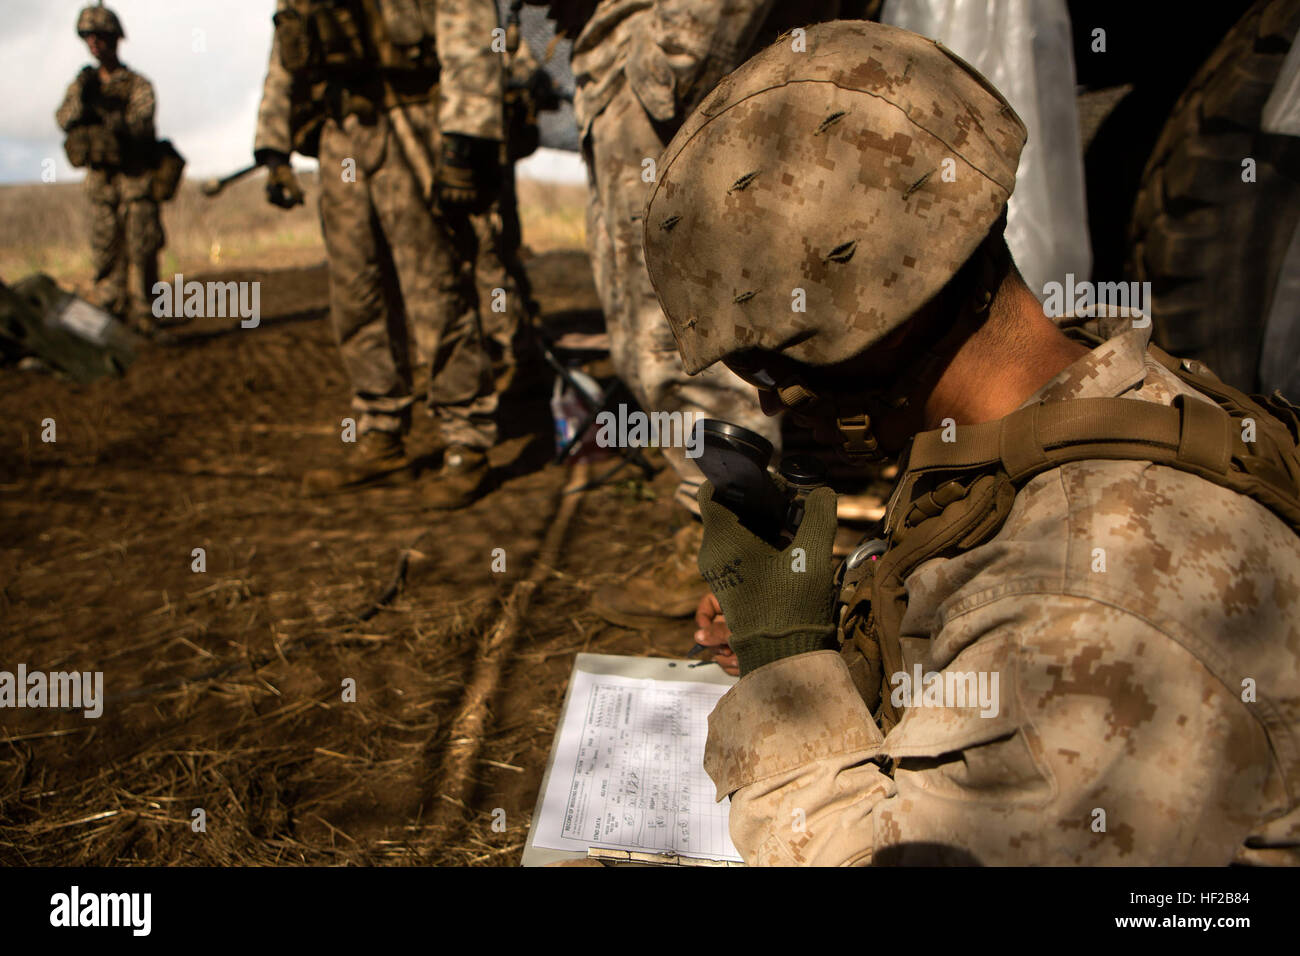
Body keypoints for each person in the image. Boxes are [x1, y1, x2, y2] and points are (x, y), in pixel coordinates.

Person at [643, 19, 1300, 865]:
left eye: (767, 371)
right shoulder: (1090, 395)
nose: (771, 403)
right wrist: (832, 622)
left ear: (863, 339)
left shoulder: (1082, 619)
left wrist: (783, 669)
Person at [547, 0, 842, 627]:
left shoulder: (672, 67)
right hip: (635, 80)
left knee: (690, 320)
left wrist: (675, 54)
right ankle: (705, 507)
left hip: (669, 77)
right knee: (647, 316)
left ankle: (732, 536)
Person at [255, 0, 506, 509]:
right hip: (339, 134)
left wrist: (463, 139)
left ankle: (465, 442)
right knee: (356, 293)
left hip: (413, 119)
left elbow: (468, 27)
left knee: (434, 286)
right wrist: (273, 149)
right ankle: (380, 434)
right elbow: (285, 48)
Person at [56, 3, 164, 332]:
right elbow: (63, 118)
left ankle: (145, 314)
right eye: (89, 37)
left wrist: (115, 116)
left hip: (134, 180)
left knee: (141, 248)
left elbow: (142, 124)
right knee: (104, 250)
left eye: (100, 36)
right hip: (101, 183)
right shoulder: (83, 85)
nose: (95, 43)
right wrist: (83, 104)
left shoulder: (137, 85)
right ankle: (109, 312)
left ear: (114, 38)